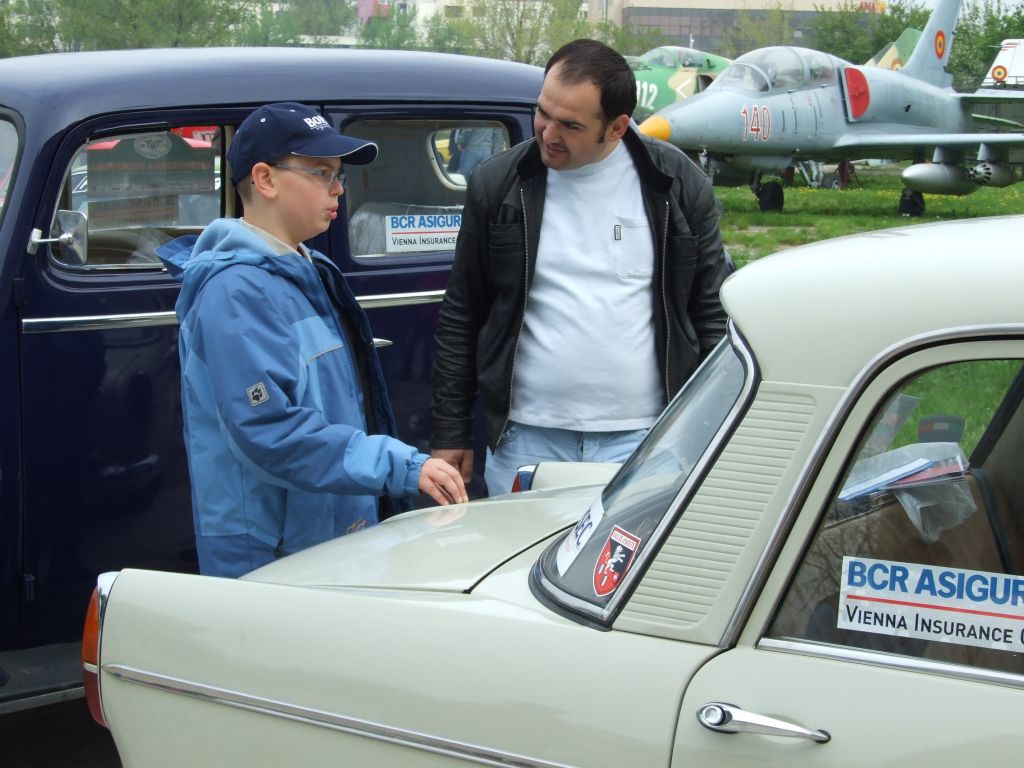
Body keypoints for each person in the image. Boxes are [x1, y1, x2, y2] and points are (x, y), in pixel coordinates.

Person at [158, 102, 467, 578]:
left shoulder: (307, 268)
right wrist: (399, 465)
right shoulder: (234, 291)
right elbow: (268, 430)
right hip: (269, 544)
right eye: (322, 173)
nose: (339, 188)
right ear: (265, 179)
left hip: (323, 528)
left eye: (338, 174)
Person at [430, 40, 728, 496]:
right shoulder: (497, 185)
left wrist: (712, 425)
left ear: (616, 127)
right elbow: (463, 313)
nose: (548, 133)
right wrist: (451, 428)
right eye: (542, 113)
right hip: (525, 439)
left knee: (632, 569)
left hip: (647, 437)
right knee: (517, 565)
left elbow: (711, 314)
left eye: (569, 125)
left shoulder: (678, 187)